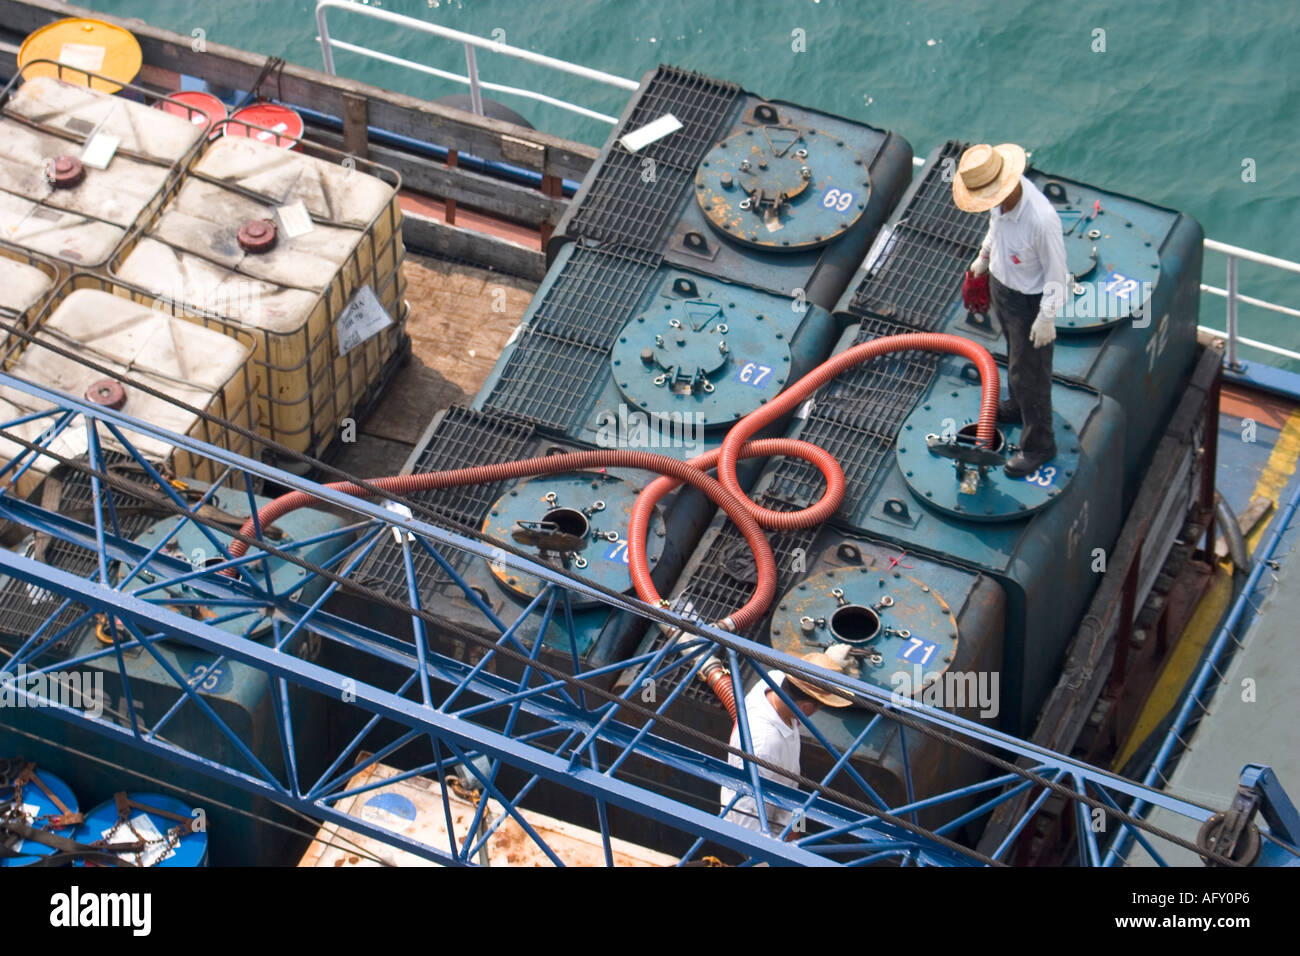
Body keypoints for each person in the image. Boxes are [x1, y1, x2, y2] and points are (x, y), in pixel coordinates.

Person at [954, 143, 1070, 478]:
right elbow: (996, 229)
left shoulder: (1041, 221)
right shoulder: (1001, 203)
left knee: (1030, 375)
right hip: (1003, 286)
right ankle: (1018, 407)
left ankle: (1038, 445)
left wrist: (1047, 316)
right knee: (1014, 356)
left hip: (1031, 302)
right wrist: (984, 258)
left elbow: (1057, 274)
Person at [719, 646, 853, 836]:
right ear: (806, 708)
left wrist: (828, 664)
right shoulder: (764, 746)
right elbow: (744, 820)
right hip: (766, 829)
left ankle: (799, 835)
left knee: (799, 826)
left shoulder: (774, 681)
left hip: (789, 801)